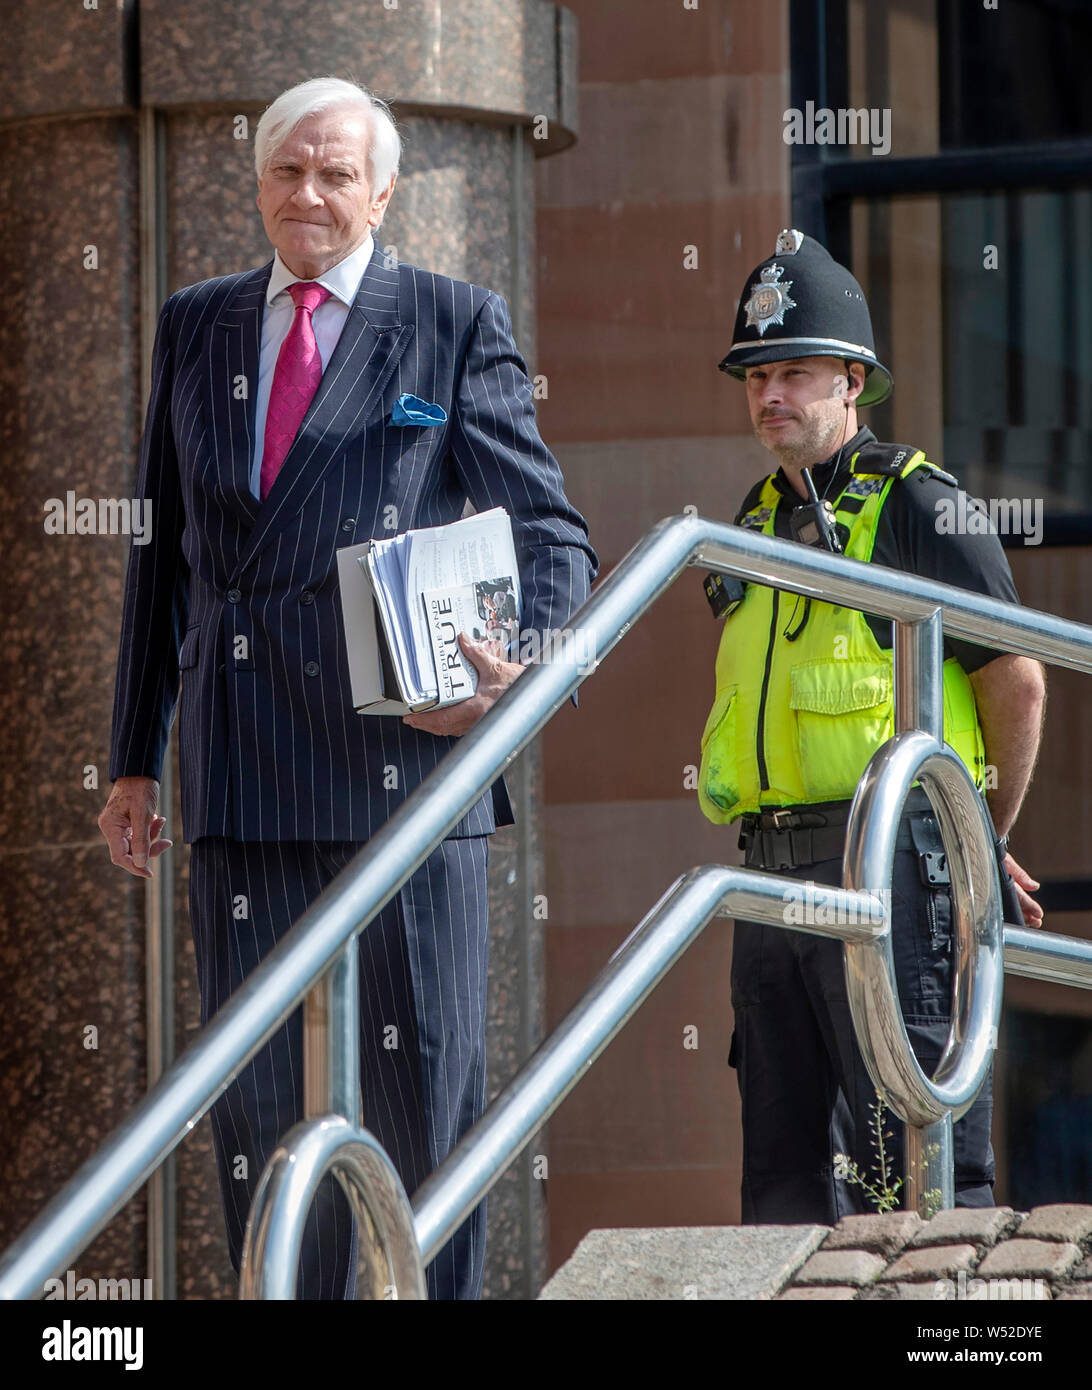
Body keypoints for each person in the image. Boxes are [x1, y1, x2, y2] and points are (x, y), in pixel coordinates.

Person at [97, 76, 598, 1299]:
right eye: (286, 171)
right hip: (241, 770)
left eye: (335, 173)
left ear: (381, 192)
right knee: (260, 1118)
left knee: (423, 1104)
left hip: (410, 775)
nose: (308, 193)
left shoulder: (451, 319)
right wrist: (131, 755)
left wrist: (511, 670)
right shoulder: (198, 325)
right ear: (256, 185)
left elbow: (553, 538)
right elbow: (160, 553)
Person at [698, 228, 1045, 1224]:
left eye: (794, 371)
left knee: (918, 1166)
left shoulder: (920, 505)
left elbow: (1014, 681)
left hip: (890, 866)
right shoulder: (749, 523)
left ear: (851, 379)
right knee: (778, 1178)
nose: (770, 393)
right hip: (770, 877)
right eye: (754, 373)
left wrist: (982, 836)